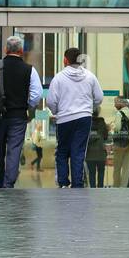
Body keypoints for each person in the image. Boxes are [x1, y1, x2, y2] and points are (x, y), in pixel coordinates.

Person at [0, 34, 42, 189]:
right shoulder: (29, 70)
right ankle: (8, 184)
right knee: (14, 150)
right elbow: (37, 94)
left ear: (5, 49)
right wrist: (27, 105)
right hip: (18, 117)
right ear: (21, 51)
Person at [45, 46, 103, 189]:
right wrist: (89, 109)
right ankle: (78, 184)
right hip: (84, 118)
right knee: (78, 151)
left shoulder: (58, 78)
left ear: (65, 60)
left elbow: (51, 101)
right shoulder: (90, 76)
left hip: (64, 119)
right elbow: (99, 97)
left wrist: (57, 111)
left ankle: (63, 183)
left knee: (62, 151)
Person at [111, 97, 129, 187]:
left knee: (117, 168)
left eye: (116, 102)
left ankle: (116, 187)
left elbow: (117, 128)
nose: (114, 105)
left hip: (120, 144)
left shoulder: (119, 113)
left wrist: (112, 129)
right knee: (126, 168)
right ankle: (123, 187)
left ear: (121, 103)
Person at [85, 104, 110, 189]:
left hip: (89, 153)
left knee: (91, 173)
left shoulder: (86, 122)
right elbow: (106, 137)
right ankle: (100, 189)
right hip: (101, 152)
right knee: (101, 172)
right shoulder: (102, 123)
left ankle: (92, 190)